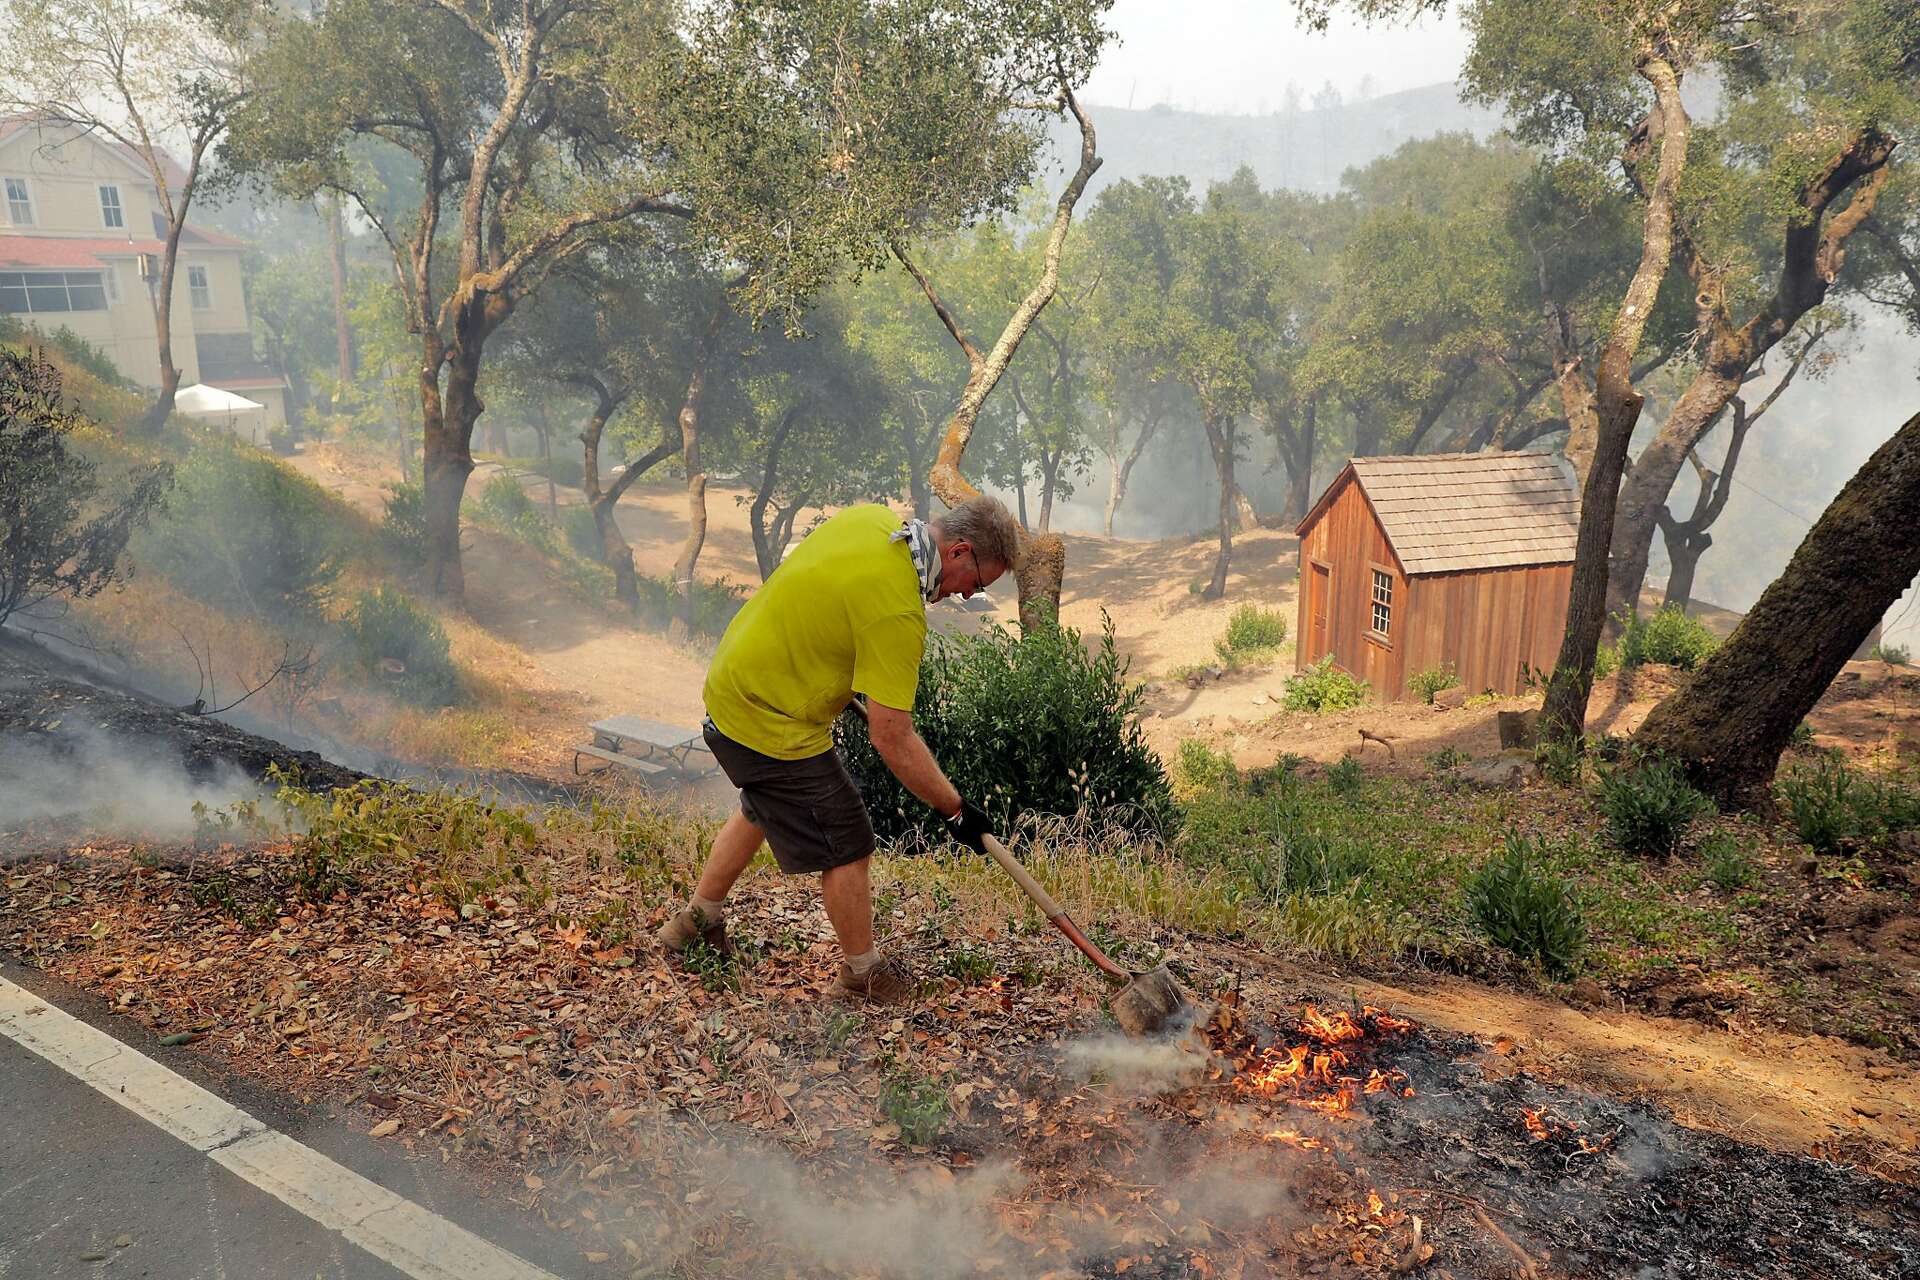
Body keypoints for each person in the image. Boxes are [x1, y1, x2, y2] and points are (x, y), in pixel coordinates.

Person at [656, 496, 1022, 1002]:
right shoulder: (897, 612)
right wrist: (956, 811)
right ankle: (862, 977)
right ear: (959, 552)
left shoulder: (871, 521)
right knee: (847, 838)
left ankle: (693, 924)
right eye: (976, 584)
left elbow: (822, 602)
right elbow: (891, 736)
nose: (964, 595)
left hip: (735, 678)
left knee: (763, 805)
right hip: (768, 715)